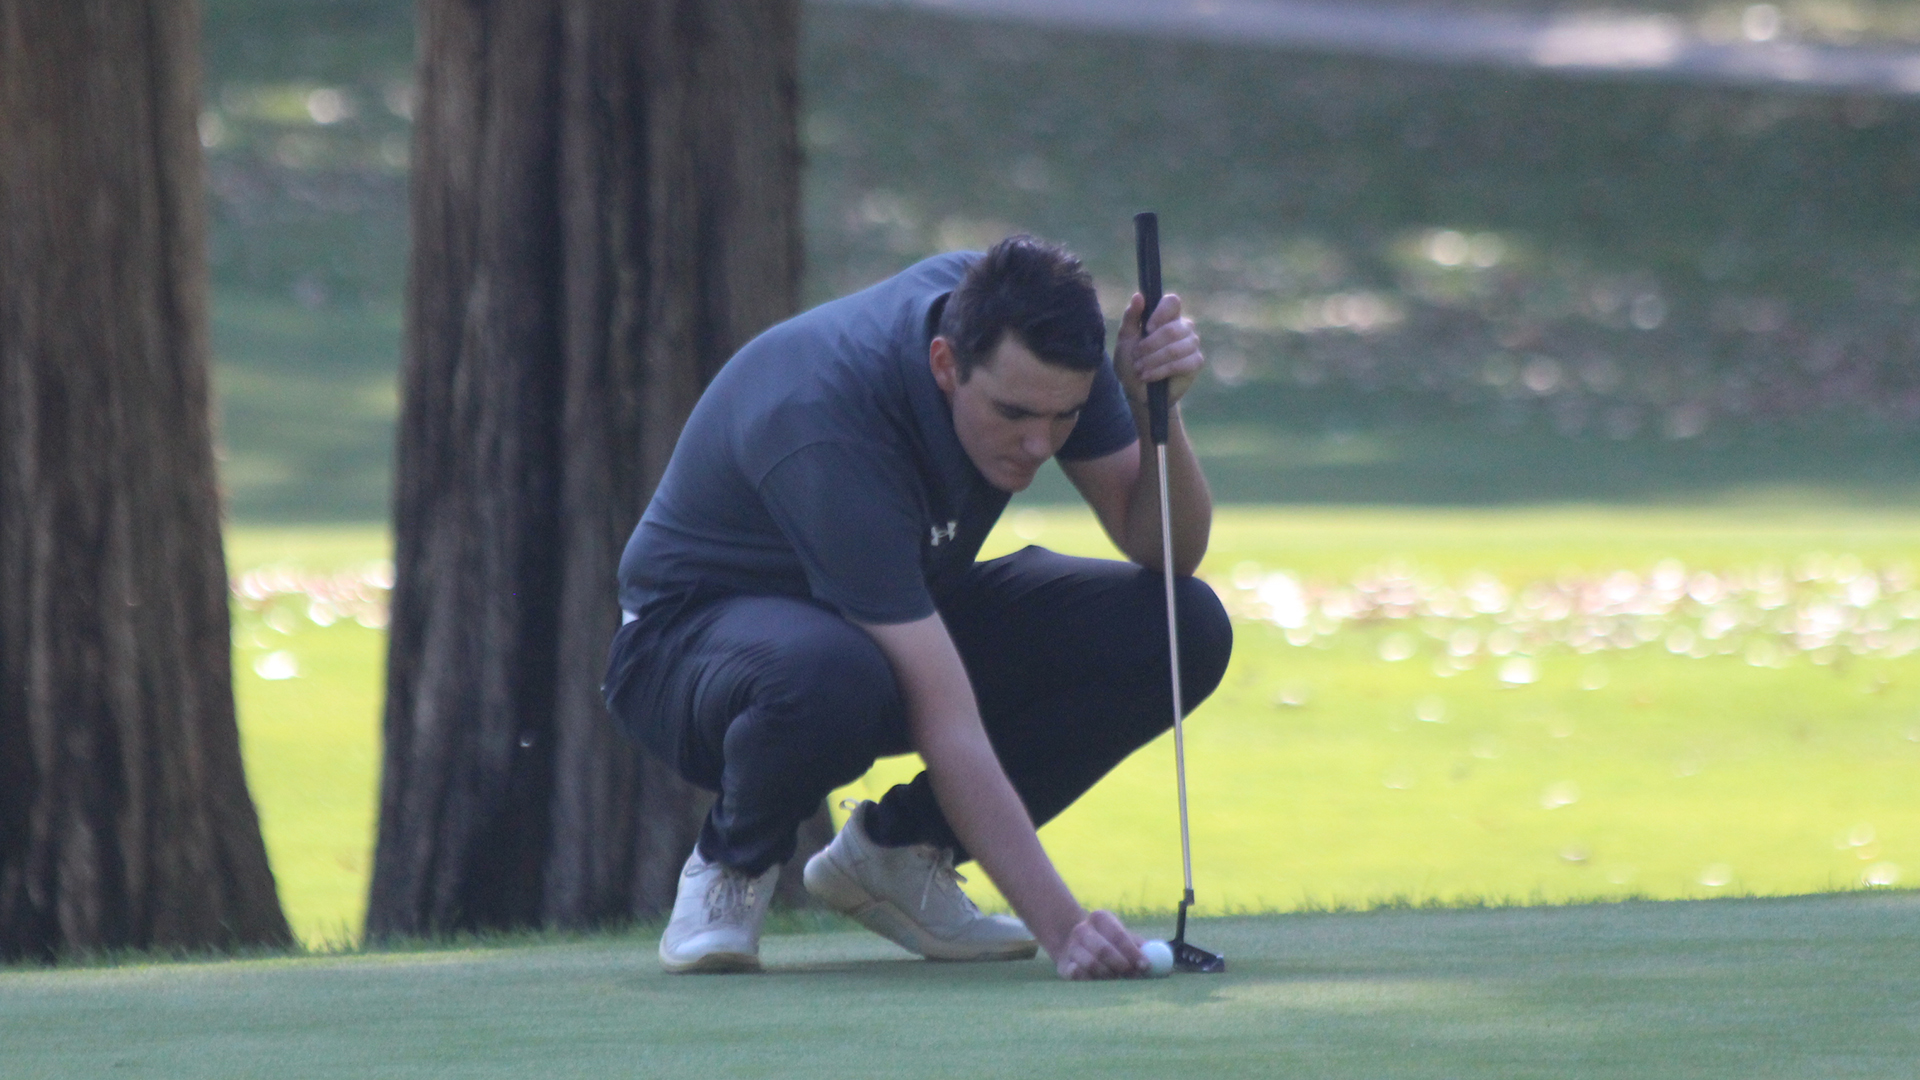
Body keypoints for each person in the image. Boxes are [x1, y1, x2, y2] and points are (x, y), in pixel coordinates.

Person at [602, 234, 1231, 980]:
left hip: (879, 617)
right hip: (686, 651)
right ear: (944, 365)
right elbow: (946, 721)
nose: (1038, 446)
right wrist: (1065, 929)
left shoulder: (1035, 346)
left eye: (1063, 418)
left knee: (1179, 625)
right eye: (1014, 415)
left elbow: (1163, 547)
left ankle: (900, 852)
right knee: (833, 675)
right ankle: (731, 864)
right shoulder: (830, 420)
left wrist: (1151, 405)